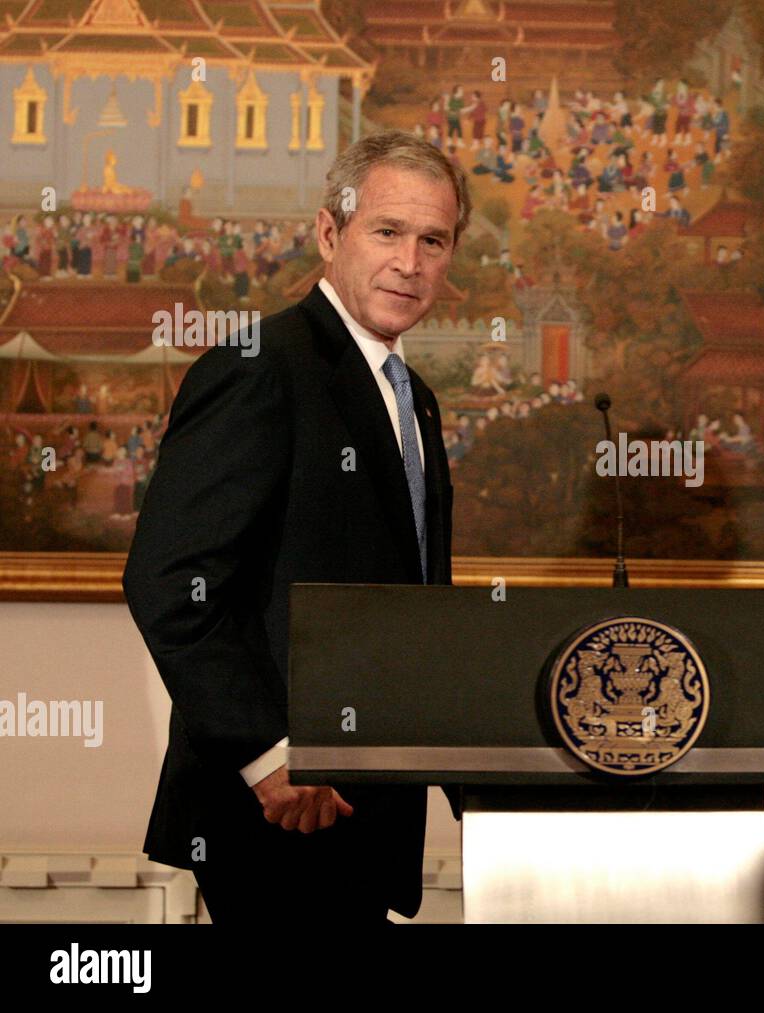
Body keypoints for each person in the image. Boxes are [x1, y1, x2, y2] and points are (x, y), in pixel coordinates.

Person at [122, 131, 468, 925]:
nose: (409, 262)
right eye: (387, 232)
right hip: (275, 812)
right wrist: (269, 754)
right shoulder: (259, 364)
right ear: (328, 233)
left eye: (433, 241)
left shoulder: (415, 398)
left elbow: (413, 602)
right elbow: (169, 581)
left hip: (372, 813)